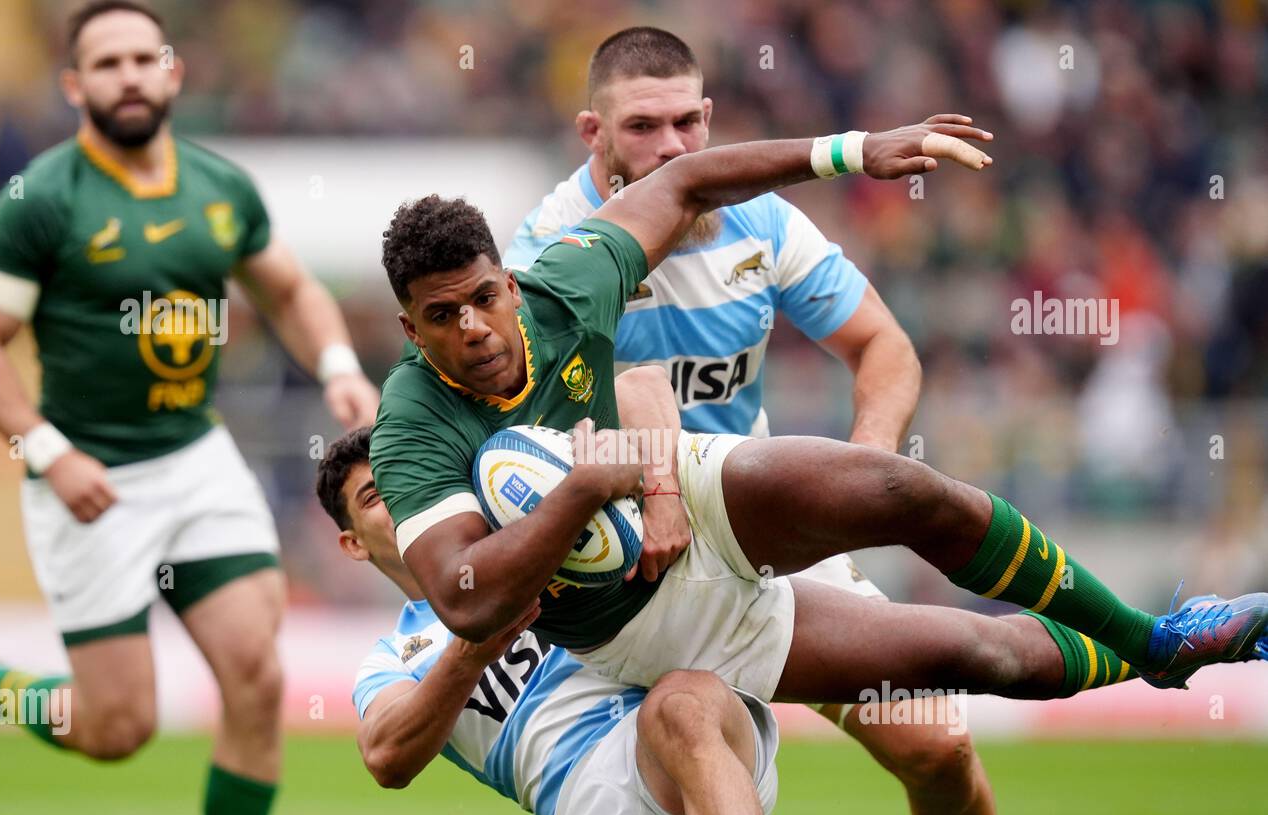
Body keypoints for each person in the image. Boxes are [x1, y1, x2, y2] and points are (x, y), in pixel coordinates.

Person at [368, 116, 1268, 741]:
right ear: (412, 330)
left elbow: (684, 180)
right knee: (982, 654)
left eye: (485, 298)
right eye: (443, 317)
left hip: (696, 492)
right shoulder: (410, 423)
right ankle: (1151, 660)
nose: (474, 328)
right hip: (641, 625)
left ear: (510, 283)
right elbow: (464, 596)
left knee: (895, 486)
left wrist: (856, 151)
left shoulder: (570, 277)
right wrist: (582, 492)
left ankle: (1161, 639)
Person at [504, 26, 1008, 815]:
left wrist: (869, 468)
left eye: (685, 125)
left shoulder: (762, 221)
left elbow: (883, 346)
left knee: (940, 744)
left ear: (708, 117)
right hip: (626, 567)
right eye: (641, 128)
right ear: (592, 132)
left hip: (761, 546)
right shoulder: (554, 245)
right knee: (671, 780)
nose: (671, 149)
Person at [0, 0, 378, 815]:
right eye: (103, 63)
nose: (126, 76)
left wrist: (341, 366)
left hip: (197, 460)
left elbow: (291, 288)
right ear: (75, 85)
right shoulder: (39, 198)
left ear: (172, 73)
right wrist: (45, 449)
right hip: (88, 475)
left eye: (140, 59)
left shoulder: (220, 187)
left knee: (257, 673)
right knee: (117, 730)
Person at [318, 401, 780, 815]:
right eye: (372, 497)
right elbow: (386, 756)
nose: (395, 497)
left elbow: (642, 386)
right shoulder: (392, 659)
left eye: (399, 479)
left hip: (689, 738)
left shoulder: (528, 533)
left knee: (678, 706)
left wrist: (653, 487)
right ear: (353, 545)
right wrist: (469, 652)